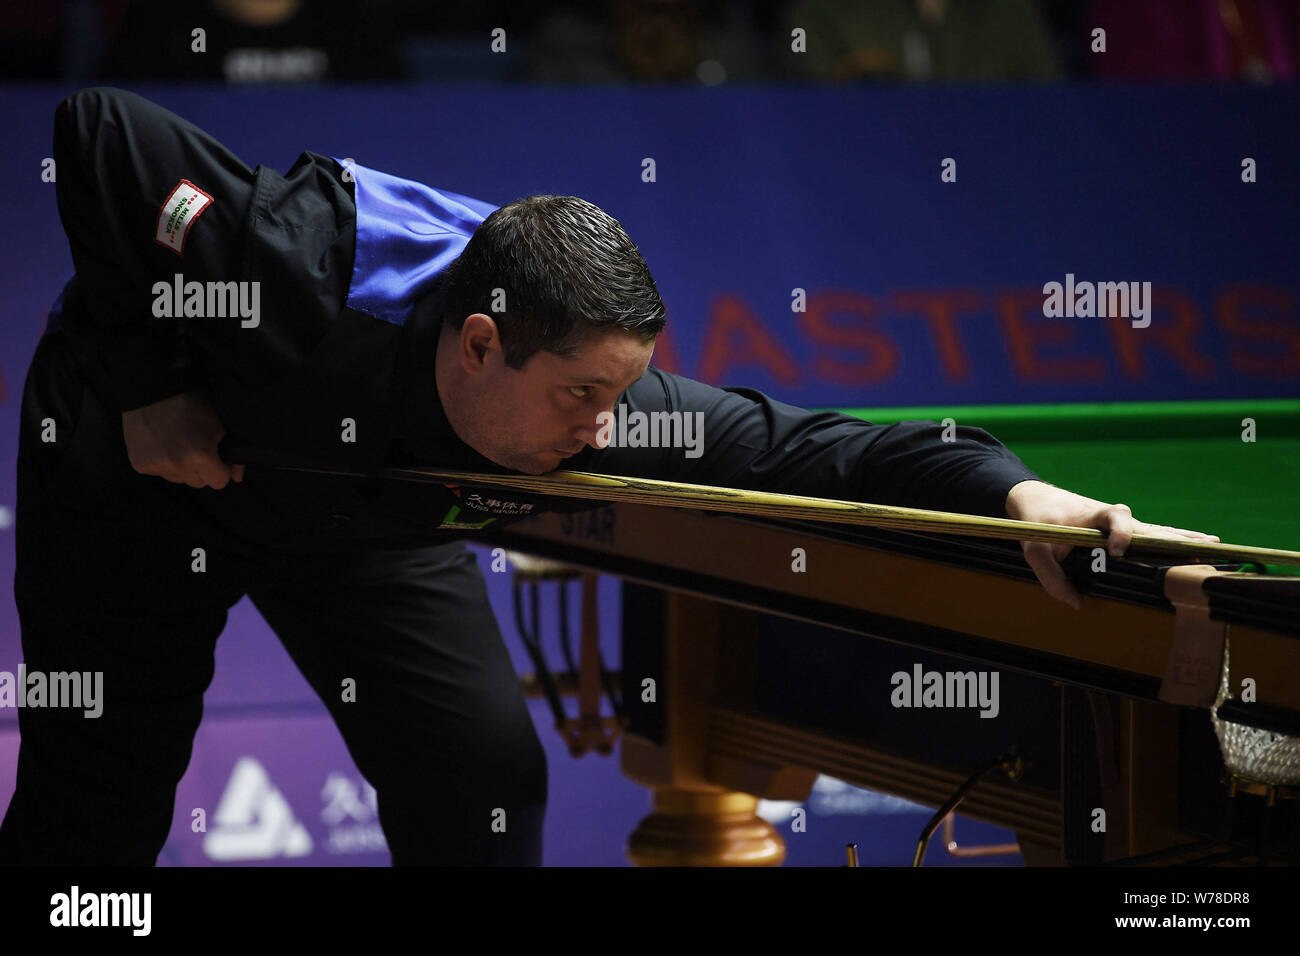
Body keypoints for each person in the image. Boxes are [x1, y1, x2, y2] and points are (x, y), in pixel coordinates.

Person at [0, 87, 1217, 866]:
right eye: (581, 394)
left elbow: (818, 445)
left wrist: (1018, 495)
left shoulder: (596, 406)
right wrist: (145, 376)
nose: (606, 424)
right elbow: (103, 130)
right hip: (145, 483)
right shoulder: (292, 270)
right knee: (93, 813)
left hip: (367, 517)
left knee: (480, 779)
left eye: (620, 391)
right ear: (481, 345)